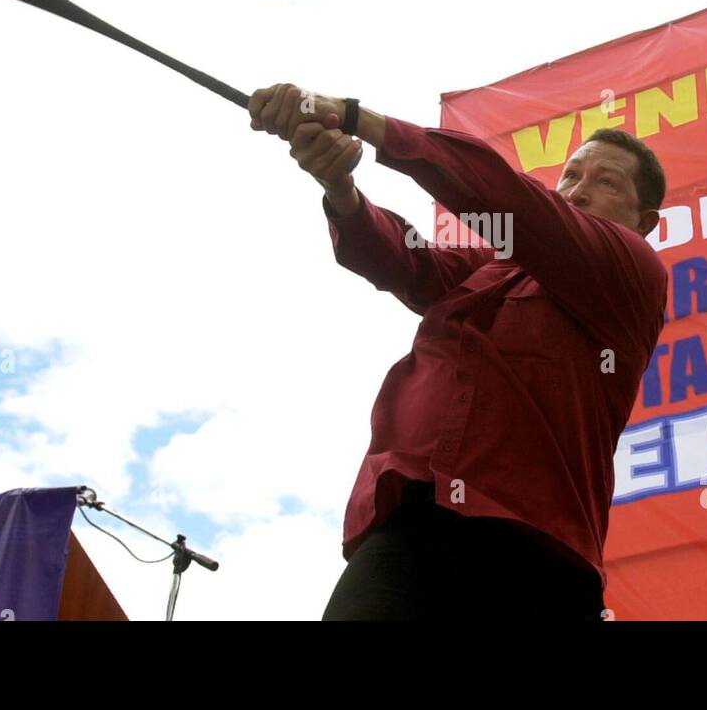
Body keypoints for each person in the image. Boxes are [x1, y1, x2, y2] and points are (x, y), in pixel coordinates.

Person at [248, 83, 668, 620]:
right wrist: (341, 188)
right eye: (570, 175)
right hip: (411, 529)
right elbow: (409, 262)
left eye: (605, 182)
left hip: (534, 552)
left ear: (644, 221)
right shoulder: (491, 268)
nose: (577, 191)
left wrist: (355, 118)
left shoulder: (630, 272)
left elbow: (509, 200)